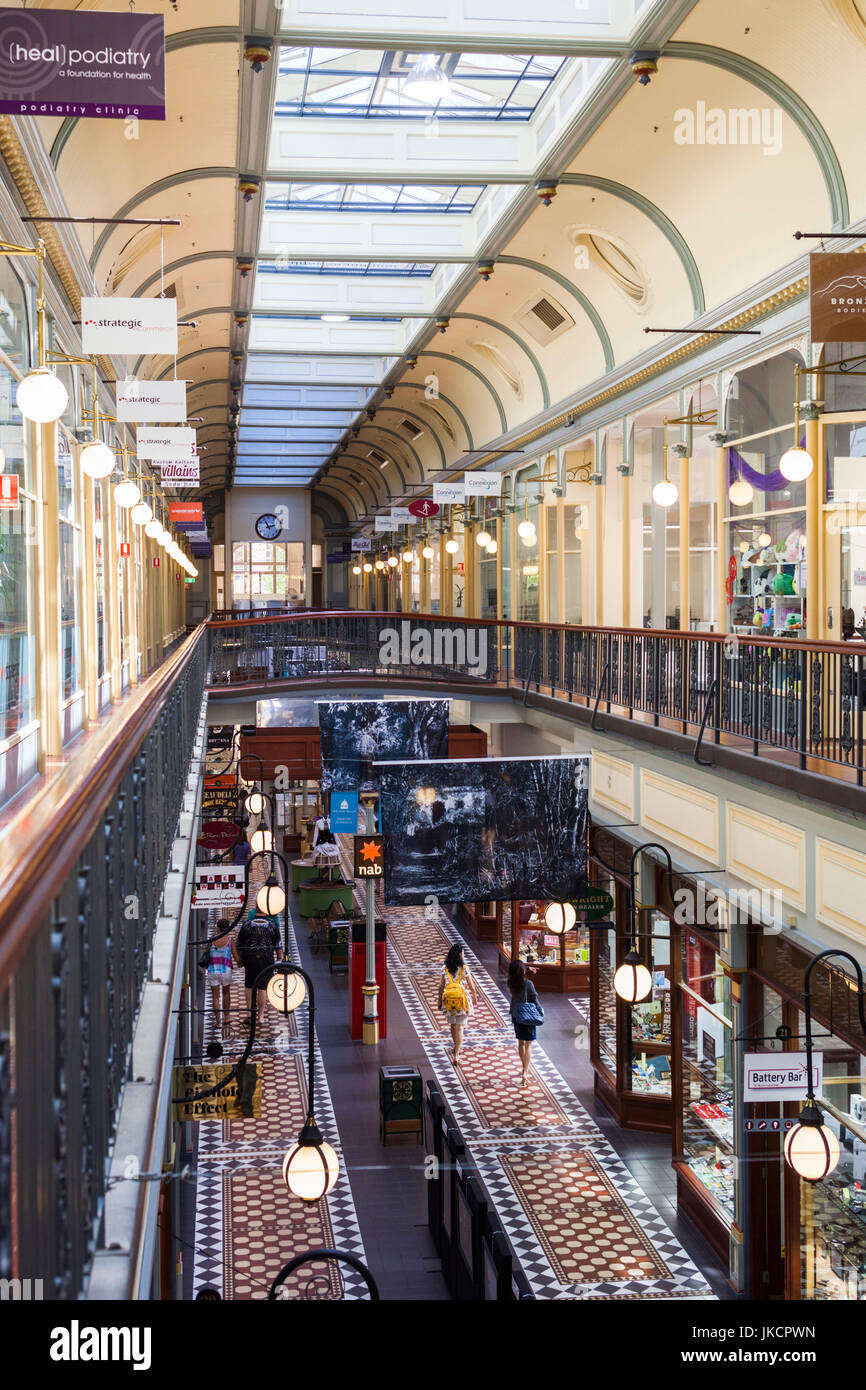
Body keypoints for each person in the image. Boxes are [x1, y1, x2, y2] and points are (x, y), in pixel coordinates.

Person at [233, 908, 283, 1019]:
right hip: (266, 960)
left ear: (255, 911)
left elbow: (240, 944)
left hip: (249, 959)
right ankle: (260, 1016)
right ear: (265, 911)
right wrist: (279, 958)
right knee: (262, 987)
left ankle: (250, 1012)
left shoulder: (246, 924)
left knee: (249, 985)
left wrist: (239, 960)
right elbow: (278, 944)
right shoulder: (272, 925)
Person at [437, 942, 477, 1062]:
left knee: (453, 1025)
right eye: (463, 954)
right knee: (460, 1027)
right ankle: (457, 1055)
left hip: (448, 1002)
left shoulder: (445, 969)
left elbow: (440, 987)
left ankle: (455, 1047)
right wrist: (474, 997)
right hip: (462, 1002)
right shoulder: (464, 969)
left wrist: (439, 1001)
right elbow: (472, 986)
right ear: (460, 956)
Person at [507, 958, 540, 1088]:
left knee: (520, 1042)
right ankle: (525, 1072)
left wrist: (527, 969)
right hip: (528, 1016)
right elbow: (535, 999)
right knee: (529, 1045)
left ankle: (523, 1066)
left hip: (516, 1015)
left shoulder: (511, 983)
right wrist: (540, 1012)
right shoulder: (529, 984)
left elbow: (516, 972)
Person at [202, 918, 234, 1037]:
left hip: (212, 971)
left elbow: (206, 953)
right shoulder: (230, 940)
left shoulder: (212, 940)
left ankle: (218, 1022)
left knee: (215, 997)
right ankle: (226, 1017)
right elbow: (235, 956)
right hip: (226, 971)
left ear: (218, 928)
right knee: (226, 993)